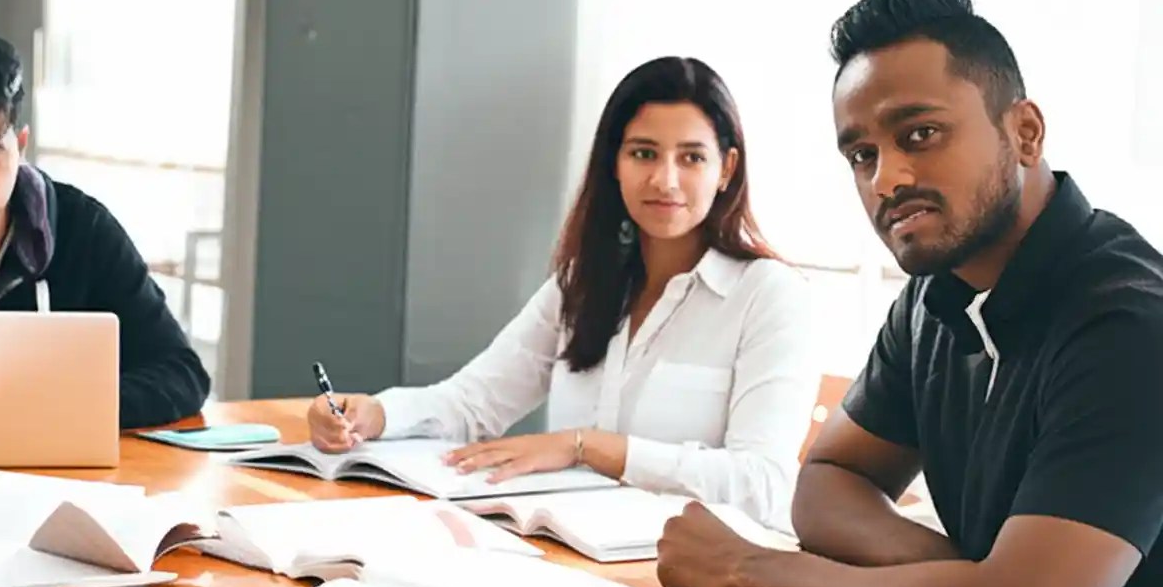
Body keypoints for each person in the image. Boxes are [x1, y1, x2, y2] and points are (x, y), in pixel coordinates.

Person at [656, 0, 1163, 587]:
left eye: (920, 134)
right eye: (861, 154)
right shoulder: (935, 294)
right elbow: (829, 482)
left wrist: (745, 571)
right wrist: (969, 581)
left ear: (1026, 132)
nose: (885, 180)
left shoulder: (1130, 324)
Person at [306, 56, 819, 528]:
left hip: (696, 583)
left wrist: (587, 447)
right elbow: (472, 404)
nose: (665, 180)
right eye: (644, 153)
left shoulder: (770, 295)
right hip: (568, 552)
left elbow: (764, 486)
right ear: (613, 162)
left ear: (726, 169)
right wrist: (375, 414)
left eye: (691, 158)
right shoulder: (585, 282)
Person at [0, 27, 210, 429]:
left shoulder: (81, 228)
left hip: (55, 483)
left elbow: (181, 373)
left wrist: (45, 408)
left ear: (20, 144)